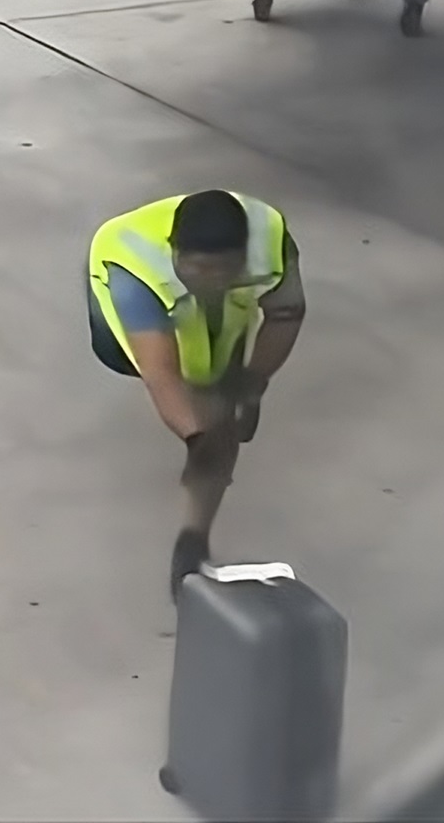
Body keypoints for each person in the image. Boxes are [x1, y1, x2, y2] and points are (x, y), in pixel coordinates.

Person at [86, 190, 306, 602]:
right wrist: (200, 438)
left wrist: (253, 381)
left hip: (219, 300)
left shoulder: (273, 242)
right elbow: (162, 377)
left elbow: (286, 313)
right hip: (140, 294)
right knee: (201, 406)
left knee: (221, 389)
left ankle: (194, 533)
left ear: (244, 255)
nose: (213, 278)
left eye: (225, 268)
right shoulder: (134, 268)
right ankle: (194, 530)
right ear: (174, 253)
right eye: (200, 268)